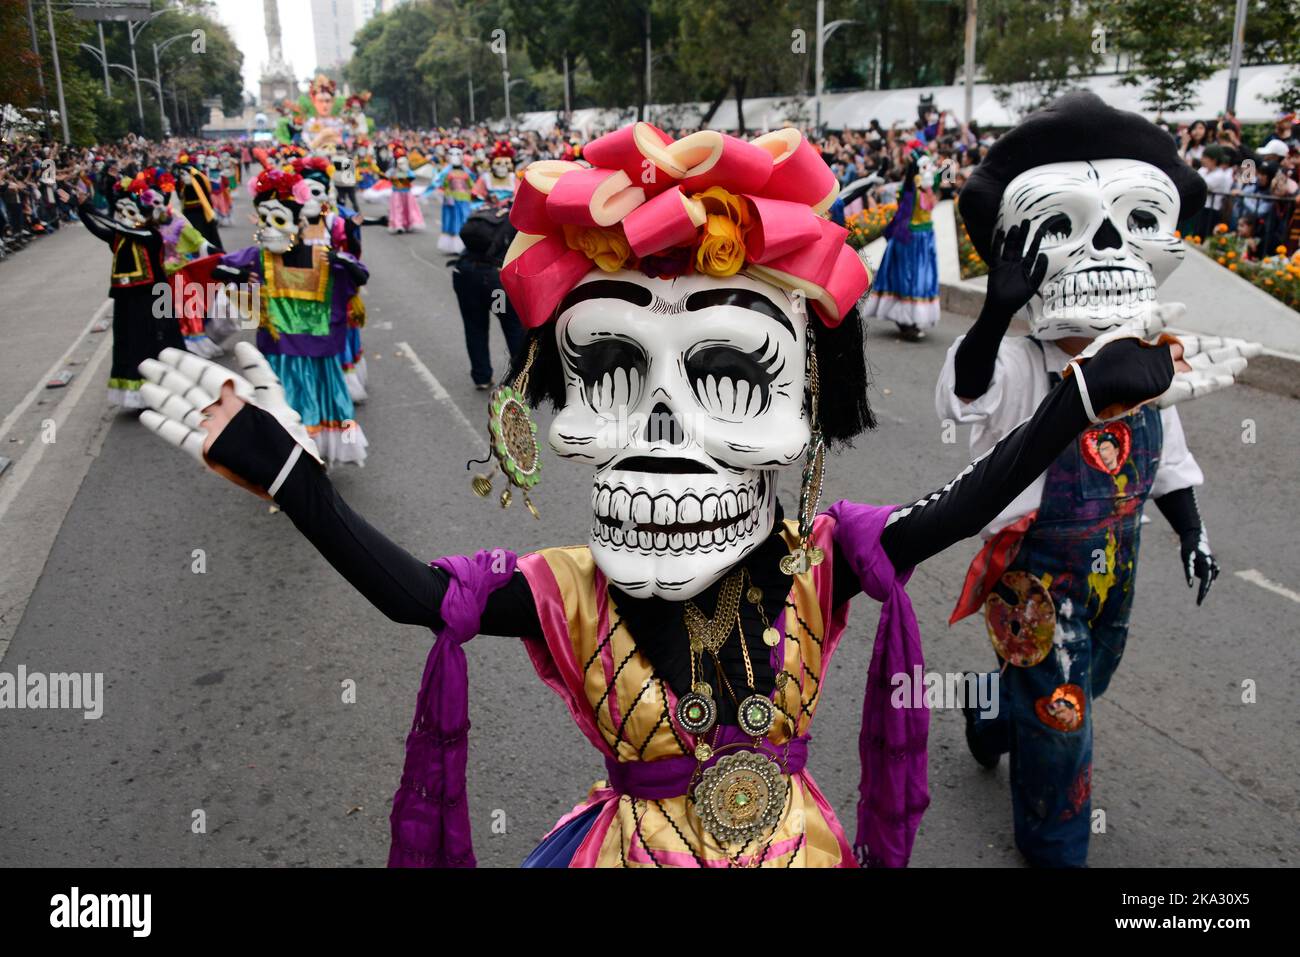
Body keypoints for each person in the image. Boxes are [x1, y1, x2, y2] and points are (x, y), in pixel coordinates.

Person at [136, 121, 1239, 869]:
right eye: (612, 370)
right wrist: (292, 477)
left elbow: (956, 505)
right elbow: (418, 597)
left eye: (729, 376)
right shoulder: (566, 591)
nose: (663, 439)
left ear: (803, 411)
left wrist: (1075, 399)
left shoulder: (820, 558)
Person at [937, 91, 1260, 868]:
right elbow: (964, 395)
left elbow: (1169, 457)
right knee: (1063, 710)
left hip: (1116, 564)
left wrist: (1193, 531)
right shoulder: (1020, 361)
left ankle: (992, 710)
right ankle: (1056, 846)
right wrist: (993, 315)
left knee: (1090, 673)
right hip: (1034, 571)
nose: (1108, 249)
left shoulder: (1146, 360)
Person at [211, 167, 369, 466]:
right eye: (265, 219)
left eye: (279, 219)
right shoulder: (259, 257)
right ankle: (293, 456)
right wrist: (240, 275)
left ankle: (320, 452)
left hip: (319, 352)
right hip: (280, 350)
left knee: (327, 403)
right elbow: (218, 268)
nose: (270, 227)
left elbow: (361, 275)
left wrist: (341, 261)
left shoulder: (323, 256)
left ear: (299, 222)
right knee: (285, 406)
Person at [69, 178, 184, 409]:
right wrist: (81, 210)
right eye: (121, 212)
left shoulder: (151, 235)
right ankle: (139, 393)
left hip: (153, 297)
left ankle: (168, 387)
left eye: (129, 212)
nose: (124, 216)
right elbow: (100, 230)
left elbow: (120, 227)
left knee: (158, 339)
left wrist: (90, 208)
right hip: (127, 300)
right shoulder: (121, 237)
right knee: (130, 343)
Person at [861, 142, 941, 341]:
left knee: (918, 279)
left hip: (922, 238)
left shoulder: (925, 184)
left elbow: (948, 179)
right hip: (909, 238)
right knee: (910, 279)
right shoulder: (913, 185)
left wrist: (944, 160)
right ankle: (907, 321)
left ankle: (910, 319)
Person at [449, 199, 524, 391]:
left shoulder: (483, 213)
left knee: (474, 327)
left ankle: (481, 376)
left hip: (465, 275)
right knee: (511, 325)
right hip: (494, 283)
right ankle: (522, 378)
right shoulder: (515, 220)